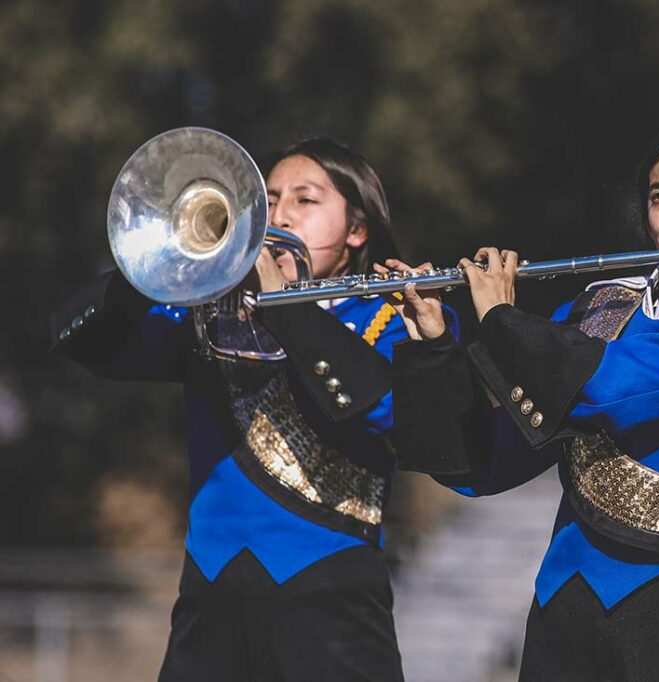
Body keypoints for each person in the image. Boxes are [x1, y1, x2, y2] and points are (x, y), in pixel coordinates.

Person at [389, 118, 659, 681]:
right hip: (565, 605)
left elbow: (612, 388)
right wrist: (437, 343)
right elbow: (485, 461)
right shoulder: (602, 307)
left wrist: (504, 321)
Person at [50, 137, 417, 681]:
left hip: (331, 600)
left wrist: (287, 308)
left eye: (305, 200)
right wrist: (152, 271)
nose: (280, 214)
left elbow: (387, 408)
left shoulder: (392, 315)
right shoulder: (209, 318)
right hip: (211, 594)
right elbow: (85, 342)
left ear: (357, 231)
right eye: (269, 198)